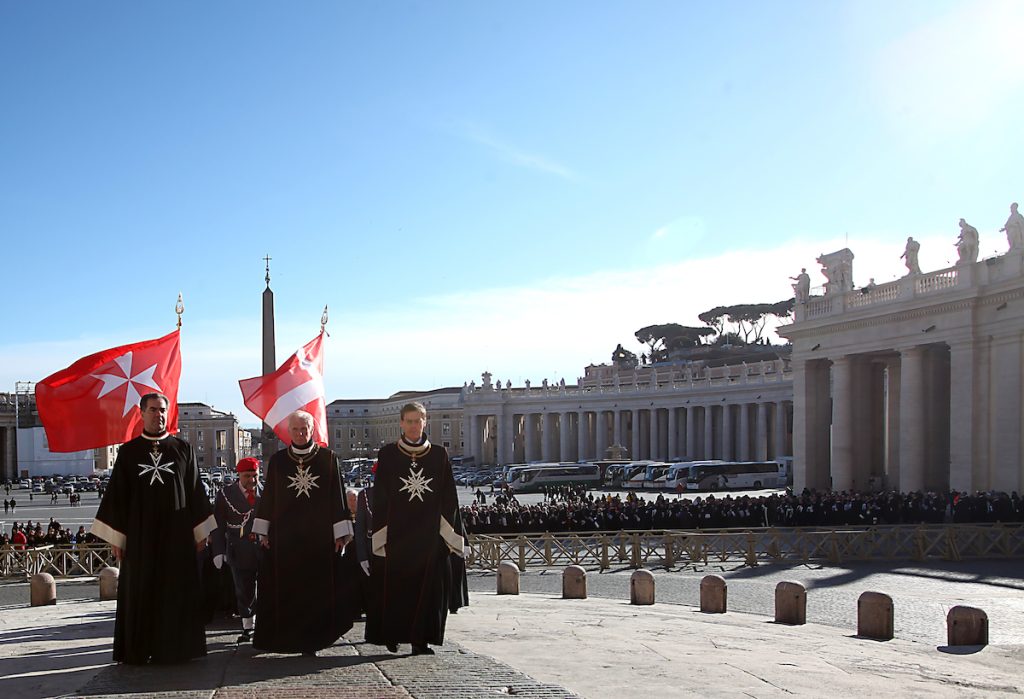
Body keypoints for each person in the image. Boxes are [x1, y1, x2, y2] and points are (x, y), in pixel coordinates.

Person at [90, 392, 215, 664]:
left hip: (178, 536)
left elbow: (195, 492)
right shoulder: (128, 452)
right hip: (139, 536)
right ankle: (138, 648)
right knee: (141, 589)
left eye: (162, 410)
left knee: (176, 590)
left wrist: (200, 533)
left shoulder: (184, 449)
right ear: (141, 413)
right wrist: (117, 539)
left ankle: (177, 648)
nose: (158, 415)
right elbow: (118, 498)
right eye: (153, 410)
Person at [252, 410, 354, 657]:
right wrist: (262, 532)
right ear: (289, 431)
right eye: (295, 429)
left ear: (312, 430)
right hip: (285, 539)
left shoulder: (328, 459)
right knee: (288, 592)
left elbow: (337, 497)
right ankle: (288, 640)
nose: (300, 433)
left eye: (304, 429)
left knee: (315, 593)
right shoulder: (278, 461)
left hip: (318, 539)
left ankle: (313, 642)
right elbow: (269, 498)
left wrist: (340, 533)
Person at [368, 401, 466, 655]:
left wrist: (448, 535)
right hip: (398, 534)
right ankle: (393, 634)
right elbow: (380, 496)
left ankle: (420, 640)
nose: (413, 426)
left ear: (425, 422)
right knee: (397, 588)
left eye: (418, 420)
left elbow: (448, 496)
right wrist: (381, 532)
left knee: (427, 589)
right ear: (401, 423)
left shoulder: (438, 455)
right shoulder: (388, 454)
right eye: (409, 421)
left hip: (428, 535)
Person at [211, 457, 262, 643]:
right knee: (243, 589)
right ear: (238, 475)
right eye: (247, 476)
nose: (252, 480)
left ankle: (264, 624)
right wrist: (218, 550)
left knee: (266, 586)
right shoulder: (225, 494)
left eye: (255, 475)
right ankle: (248, 626)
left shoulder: (266, 493)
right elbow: (218, 524)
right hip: (238, 548)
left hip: (263, 547)